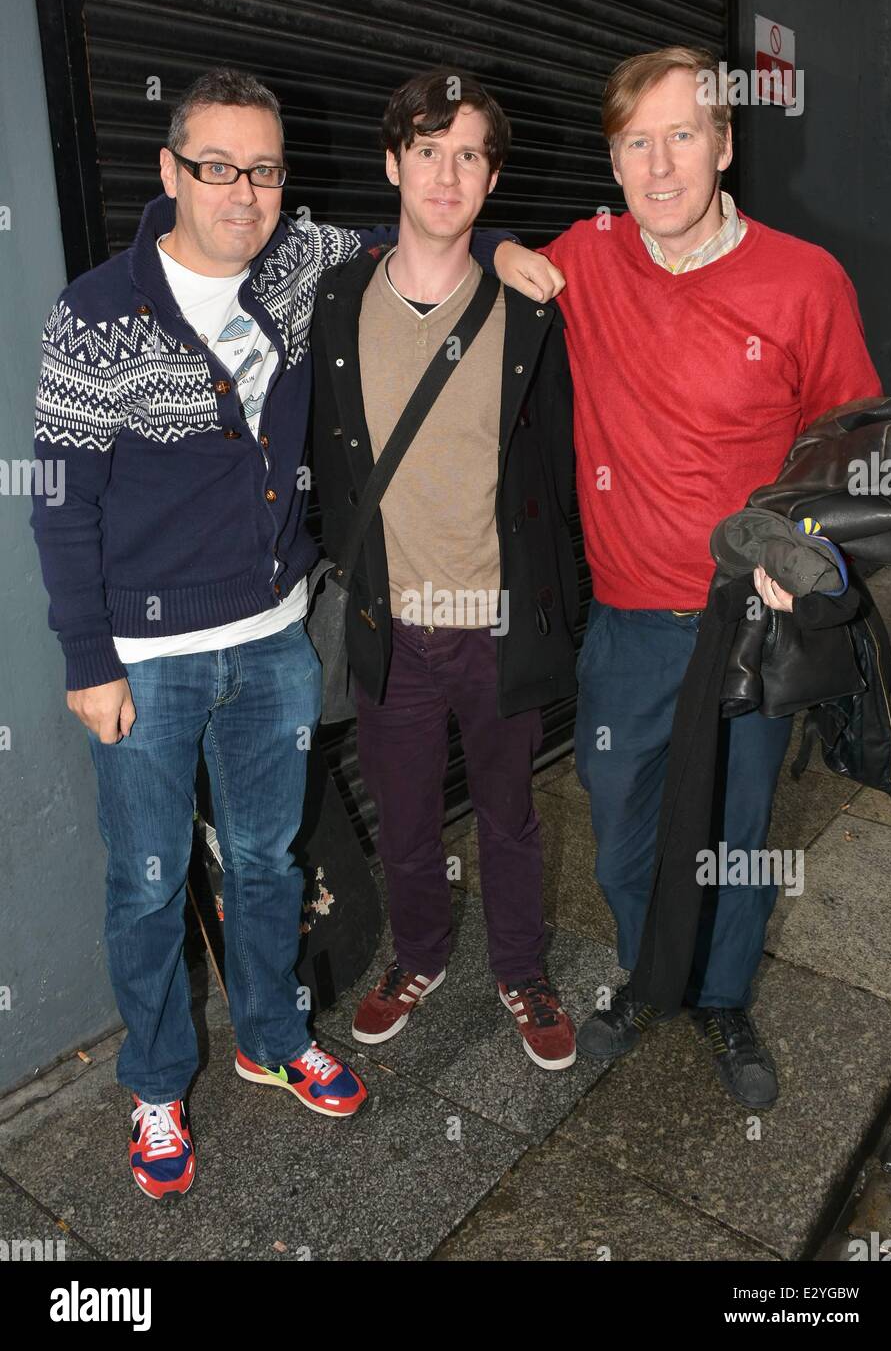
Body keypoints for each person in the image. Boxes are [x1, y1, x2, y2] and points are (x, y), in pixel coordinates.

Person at [30, 66, 559, 1199]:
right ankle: (159, 1084)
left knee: (269, 862)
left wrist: (508, 241)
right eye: (216, 166)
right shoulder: (94, 312)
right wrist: (87, 657)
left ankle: (274, 1037)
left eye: (264, 168)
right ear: (170, 172)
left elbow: (428, 218)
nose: (243, 190)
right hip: (149, 661)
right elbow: (60, 500)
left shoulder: (300, 266)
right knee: (149, 879)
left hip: (275, 641)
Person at [524, 45, 882, 1107]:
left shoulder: (805, 278)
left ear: (726, 144)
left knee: (736, 830)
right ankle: (651, 977)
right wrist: (502, 257)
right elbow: (459, 262)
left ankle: (723, 994)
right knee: (622, 816)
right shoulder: (582, 260)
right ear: (614, 159)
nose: (660, 165)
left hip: (748, 626)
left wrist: (810, 557)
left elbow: (855, 448)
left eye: (684, 135)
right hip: (628, 622)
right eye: (635, 142)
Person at [311, 68, 579, 1070]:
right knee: (411, 818)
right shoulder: (336, 298)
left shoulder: (532, 306)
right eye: (427, 149)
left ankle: (521, 968)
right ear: (392, 163)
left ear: (492, 175)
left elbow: (556, 462)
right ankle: (418, 954)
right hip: (391, 624)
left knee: (509, 816)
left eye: (470, 153)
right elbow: (203, 214)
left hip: (496, 619)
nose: (447, 171)